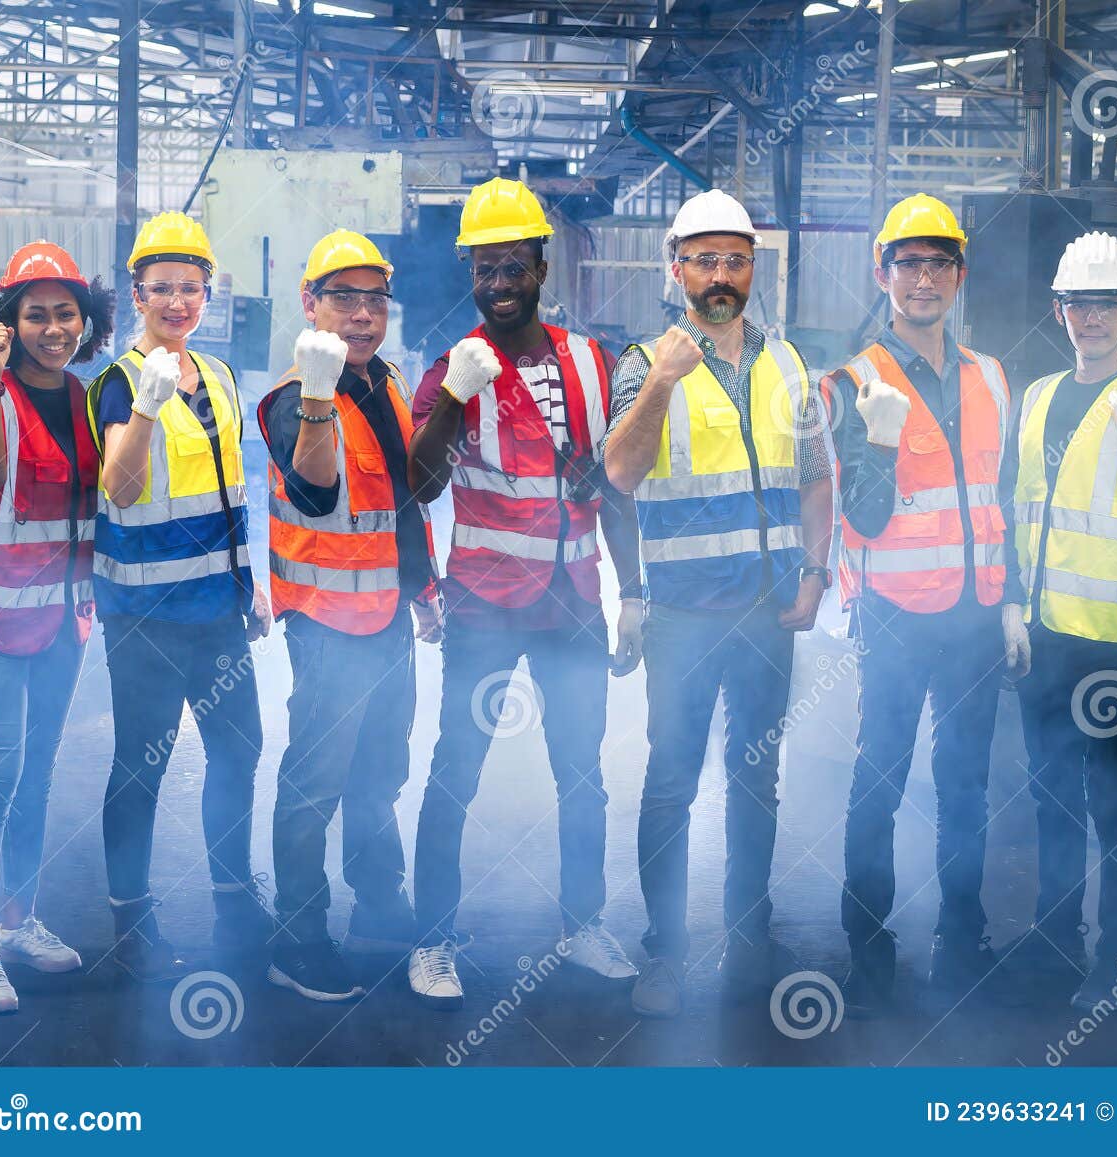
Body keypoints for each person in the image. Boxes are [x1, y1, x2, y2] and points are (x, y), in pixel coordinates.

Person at [407, 178, 642, 1009]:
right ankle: (431, 939)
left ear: (542, 266)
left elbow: (615, 485)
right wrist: (456, 399)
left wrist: (633, 593)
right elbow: (420, 483)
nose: (500, 282)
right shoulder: (453, 367)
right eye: (485, 268)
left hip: (574, 599)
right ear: (469, 272)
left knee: (583, 773)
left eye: (514, 266)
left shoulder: (590, 360)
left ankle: (584, 924)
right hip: (483, 605)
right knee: (455, 771)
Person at [604, 188, 835, 1019]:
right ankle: (664, 951)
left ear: (752, 267)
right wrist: (664, 382)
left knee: (756, 779)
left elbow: (815, 476)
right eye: (703, 259)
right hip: (685, 617)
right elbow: (620, 474)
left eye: (735, 258)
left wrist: (816, 572)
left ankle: (751, 934)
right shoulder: (641, 360)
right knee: (671, 782)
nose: (720, 274)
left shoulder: (787, 363)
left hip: (769, 613)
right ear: (676, 269)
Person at [820, 194, 1023, 1014]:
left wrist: (1011, 603)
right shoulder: (850, 383)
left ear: (960, 275)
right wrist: (873, 433)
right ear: (883, 274)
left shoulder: (992, 377)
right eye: (909, 263)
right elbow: (859, 515)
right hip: (896, 615)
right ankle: (867, 943)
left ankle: (961, 933)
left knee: (966, 785)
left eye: (939, 263)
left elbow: (999, 499)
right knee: (879, 779)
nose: (925, 278)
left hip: (974, 614)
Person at [87, 211, 274, 983]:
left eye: (188, 288)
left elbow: (232, 495)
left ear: (208, 293)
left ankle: (234, 897)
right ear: (137, 293)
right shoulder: (117, 383)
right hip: (145, 622)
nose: (175, 302)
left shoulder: (224, 377)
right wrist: (146, 406)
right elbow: (121, 490)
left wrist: (249, 583)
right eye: (160, 288)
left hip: (219, 614)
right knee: (141, 767)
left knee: (241, 749)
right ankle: (131, 919)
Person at [257, 230, 440, 1002]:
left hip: (388, 617)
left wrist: (424, 590)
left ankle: (379, 904)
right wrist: (319, 397)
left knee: (380, 772)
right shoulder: (288, 400)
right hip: (328, 627)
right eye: (344, 298)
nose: (363, 315)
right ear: (310, 304)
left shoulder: (388, 383)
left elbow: (400, 501)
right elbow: (317, 489)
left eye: (374, 300)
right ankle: (297, 938)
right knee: (314, 783)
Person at [1010, 232, 1117, 1013]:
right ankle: (1052, 941)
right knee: (1048, 793)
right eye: (1079, 303)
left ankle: (1116, 956)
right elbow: (1022, 510)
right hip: (1042, 633)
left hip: (1110, 639)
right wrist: (1012, 603)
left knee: (1111, 798)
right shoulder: (1040, 395)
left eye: (1107, 303)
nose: (1092, 317)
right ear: (1059, 309)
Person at [0, 242, 114, 1013]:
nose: (53, 327)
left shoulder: (84, 396)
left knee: (36, 775)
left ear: (85, 320)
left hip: (56, 623)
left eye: (65, 313)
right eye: (36, 313)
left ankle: (19, 919)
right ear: (7, 322)